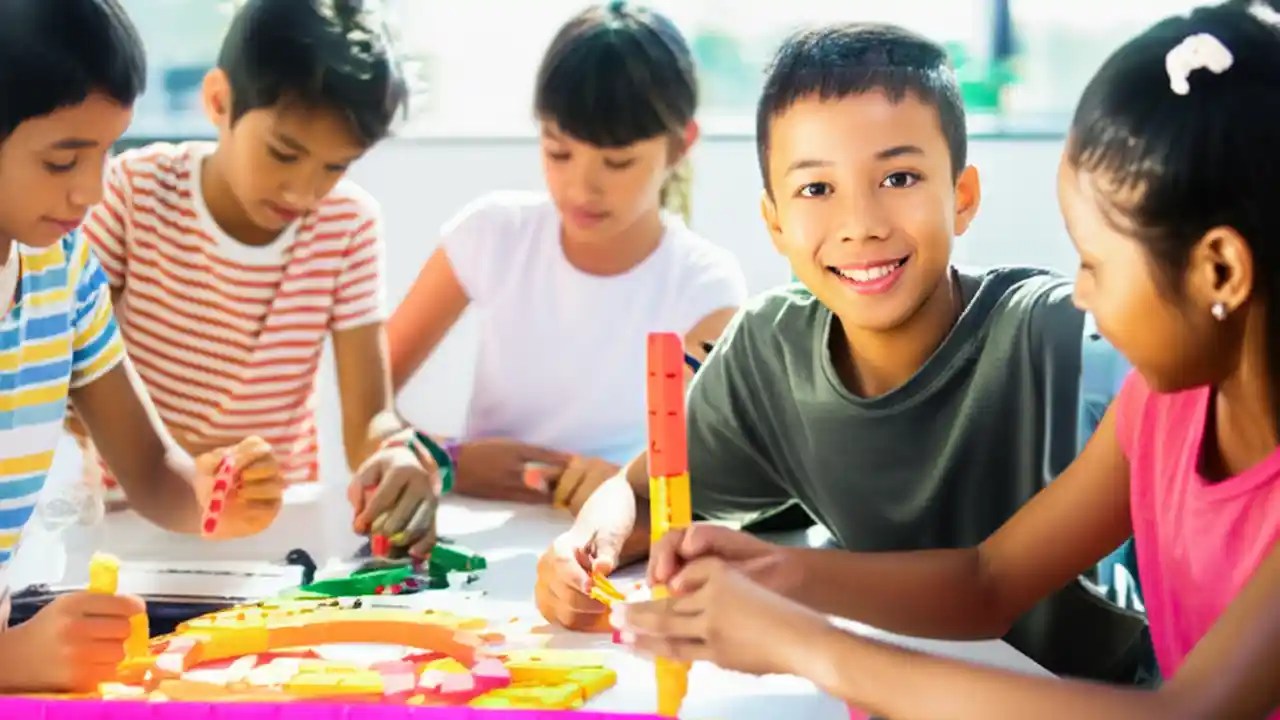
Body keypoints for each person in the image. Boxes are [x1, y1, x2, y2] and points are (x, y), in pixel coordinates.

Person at [614, 2, 1280, 717]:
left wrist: (808, 645)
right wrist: (781, 573)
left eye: (1095, 264)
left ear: (1219, 272)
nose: (1081, 296)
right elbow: (987, 582)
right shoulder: (1162, 408)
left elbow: (1189, 714)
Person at [536, 21, 1149, 681]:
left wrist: (779, 577)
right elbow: (642, 493)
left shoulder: (1056, 334)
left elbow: (987, 588)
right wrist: (582, 548)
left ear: (962, 196)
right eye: (816, 189)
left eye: (900, 177)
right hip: (889, 690)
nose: (861, 224)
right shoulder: (770, 354)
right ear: (773, 221)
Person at [77, 0, 437, 556]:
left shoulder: (349, 226)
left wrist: (393, 452)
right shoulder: (134, 192)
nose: (304, 191)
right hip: (130, 519)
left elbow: (369, 419)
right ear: (219, 102)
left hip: (267, 531)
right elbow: (77, 386)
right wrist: (186, 468)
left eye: (335, 166)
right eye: (283, 152)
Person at [0, 0, 284, 693]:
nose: (91, 190)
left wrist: (214, 494)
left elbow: (151, 468)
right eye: (63, 158)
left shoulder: (61, 271)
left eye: (106, 153)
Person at [385, 2, 747, 509]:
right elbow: (364, 399)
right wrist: (447, 460)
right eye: (558, 152)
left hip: (617, 544)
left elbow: (712, 467)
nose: (582, 186)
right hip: (469, 536)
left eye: (617, 162)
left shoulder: (704, 286)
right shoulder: (491, 235)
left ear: (680, 145)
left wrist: (627, 484)